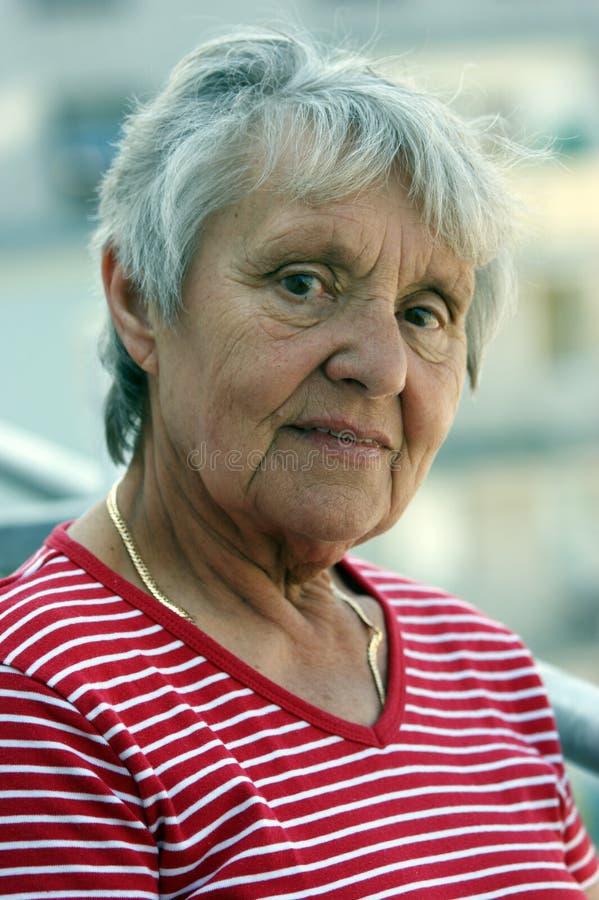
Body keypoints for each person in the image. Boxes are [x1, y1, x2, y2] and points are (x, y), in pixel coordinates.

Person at [0, 28, 597, 900]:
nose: (382, 367)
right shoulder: (39, 700)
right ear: (139, 300)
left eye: (426, 313)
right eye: (302, 282)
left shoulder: (486, 666)